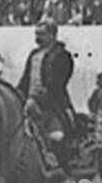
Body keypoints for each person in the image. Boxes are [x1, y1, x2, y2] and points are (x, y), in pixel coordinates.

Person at [16, 18, 75, 175]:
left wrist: (37, 100)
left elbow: (58, 85)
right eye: (36, 33)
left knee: (57, 137)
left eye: (42, 34)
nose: (37, 37)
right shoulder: (33, 54)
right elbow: (25, 79)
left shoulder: (62, 55)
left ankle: (64, 170)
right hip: (30, 103)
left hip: (54, 105)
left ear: (53, 35)